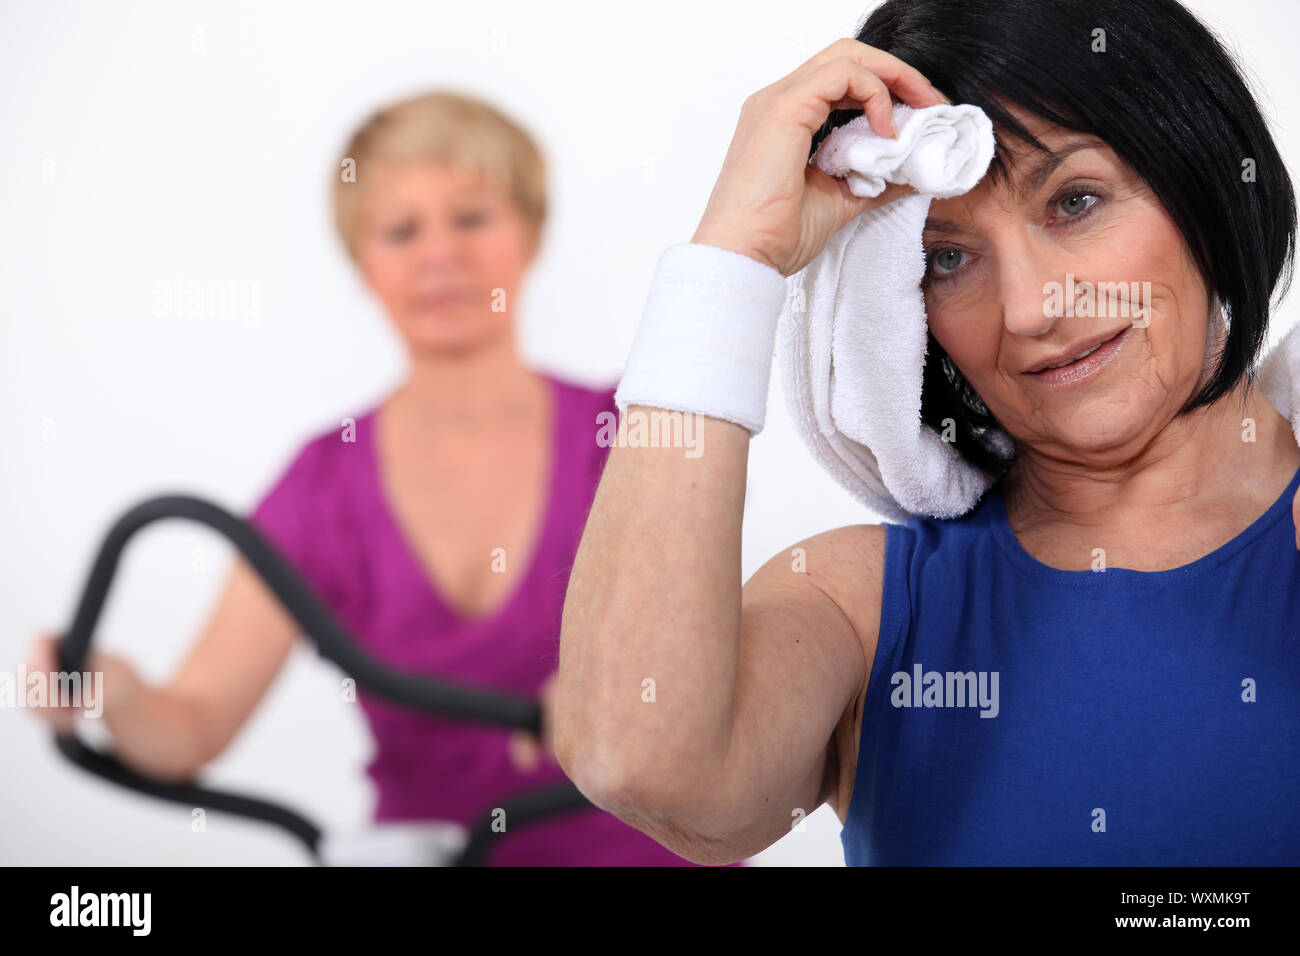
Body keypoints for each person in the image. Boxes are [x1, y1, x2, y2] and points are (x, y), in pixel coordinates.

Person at [555, 0, 1300, 866]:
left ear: (1203, 181)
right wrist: (732, 259)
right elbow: (637, 759)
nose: (1031, 310)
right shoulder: (865, 607)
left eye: (1077, 201)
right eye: (948, 259)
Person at [28, 90, 738, 866]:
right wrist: (115, 693)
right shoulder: (323, 484)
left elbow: (709, 682)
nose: (441, 254)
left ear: (529, 235)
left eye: (472, 218)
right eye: (400, 230)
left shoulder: (632, 433)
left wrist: (626, 692)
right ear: (364, 264)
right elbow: (192, 725)